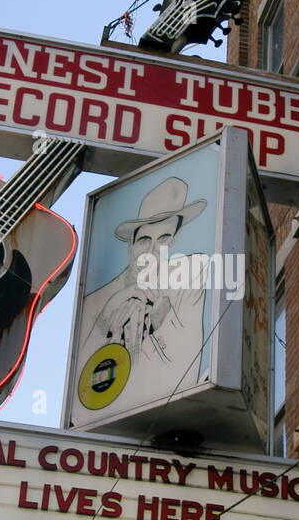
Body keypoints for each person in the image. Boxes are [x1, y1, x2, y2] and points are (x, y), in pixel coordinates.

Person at [74, 176, 209, 418]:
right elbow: (79, 386)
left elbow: (185, 371)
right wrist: (105, 318)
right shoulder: (96, 300)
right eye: (144, 240)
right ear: (131, 245)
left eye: (164, 239)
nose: (151, 251)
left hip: (170, 418)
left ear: (175, 239)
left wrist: (160, 323)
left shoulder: (191, 274)